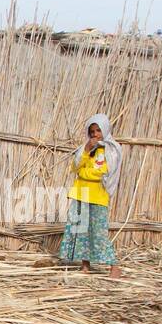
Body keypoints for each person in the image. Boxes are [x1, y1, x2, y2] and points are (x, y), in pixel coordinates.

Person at [59, 114, 123, 278]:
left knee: (98, 232)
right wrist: (86, 149)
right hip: (81, 195)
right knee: (80, 231)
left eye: (98, 130)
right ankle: (85, 265)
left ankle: (114, 266)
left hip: (98, 197)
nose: (95, 134)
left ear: (106, 130)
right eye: (92, 131)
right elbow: (75, 166)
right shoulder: (86, 149)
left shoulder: (111, 150)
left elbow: (102, 172)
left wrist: (83, 172)